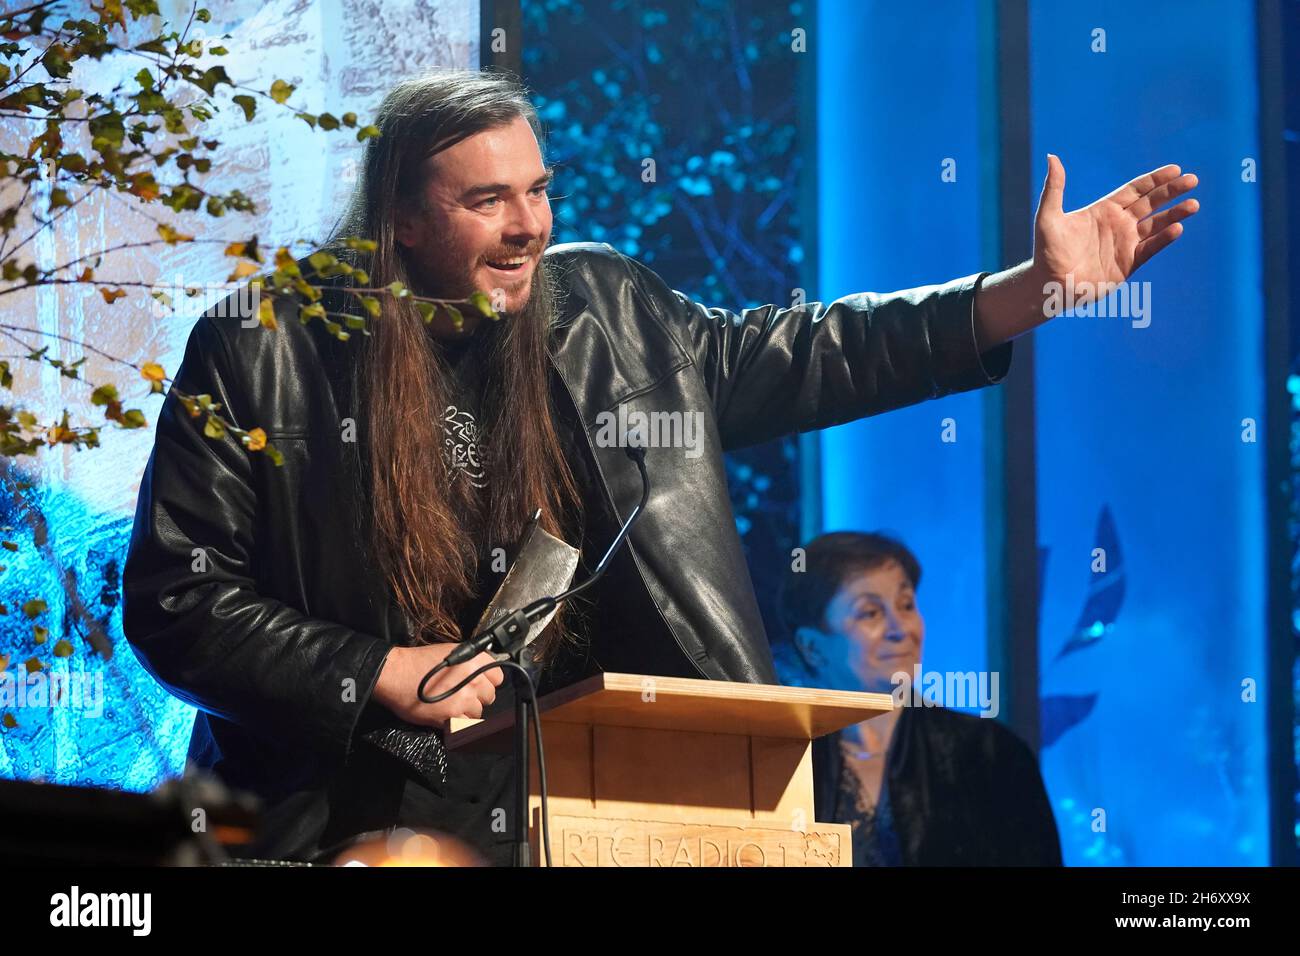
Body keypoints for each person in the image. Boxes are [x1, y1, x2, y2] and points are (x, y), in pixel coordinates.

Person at [121, 68, 1196, 864]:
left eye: (538, 191)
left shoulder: (608, 313)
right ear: (400, 217)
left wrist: (1022, 292)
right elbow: (178, 599)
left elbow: (817, 350)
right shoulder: (263, 347)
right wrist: (373, 670)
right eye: (485, 200)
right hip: (346, 812)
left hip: (594, 801)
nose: (528, 226)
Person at [776, 531, 1063, 866]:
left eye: (906, 605)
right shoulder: (779, 764)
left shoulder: (989, 754)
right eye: (870, 613)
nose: (901, 628)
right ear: (812, 647)